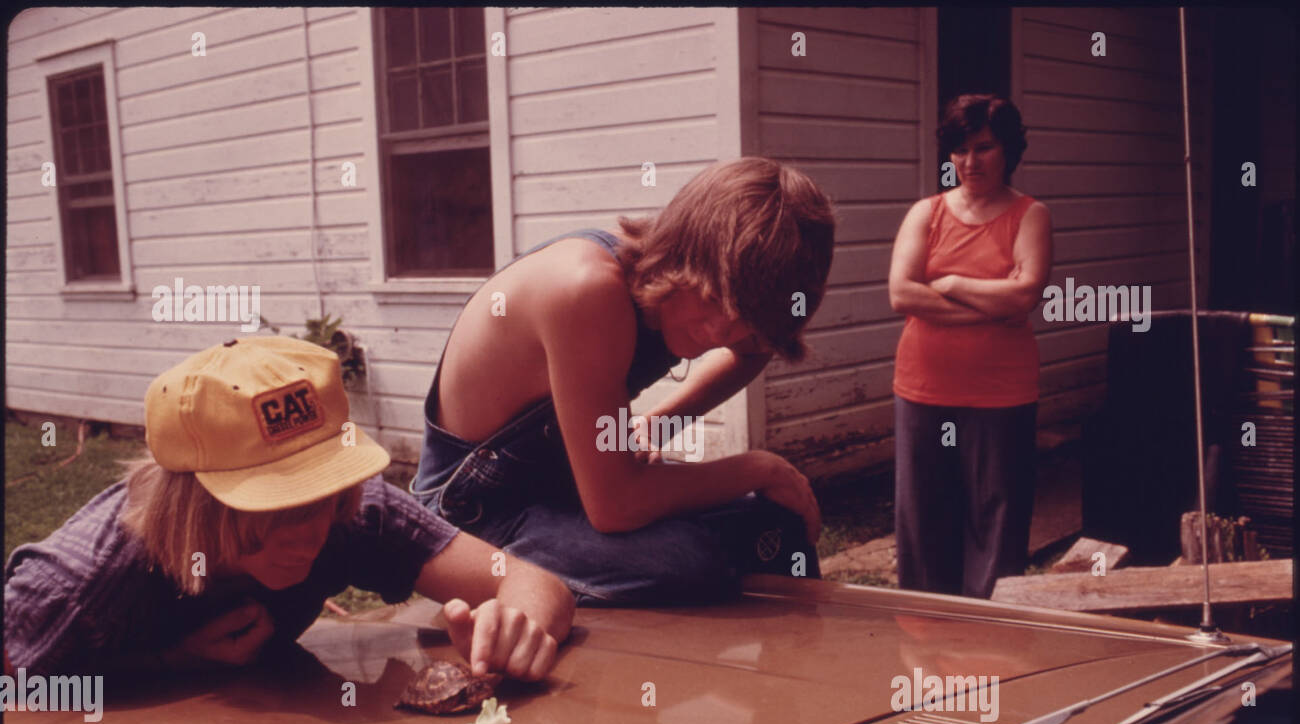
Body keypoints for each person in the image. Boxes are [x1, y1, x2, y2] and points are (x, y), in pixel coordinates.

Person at [3, 336, 574, 679]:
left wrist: (518, 624)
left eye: (321, 490)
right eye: (270, 506)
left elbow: (532, 580)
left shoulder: (352, 514)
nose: (306, 534)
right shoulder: (73, 588)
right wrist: (169, 661)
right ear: (193, 502)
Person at [409, 157, 837, 605]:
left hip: (566, 482)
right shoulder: (584, 289)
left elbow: (753, 352)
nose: (719, 334)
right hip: (470, 512)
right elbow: (616, 507)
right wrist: (761, 467)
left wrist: (659, 424)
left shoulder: (685, 294)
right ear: (682, 251)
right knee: (688, 563)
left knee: (775, 524)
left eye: (746, 322)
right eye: (712, 300)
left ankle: (814, 663)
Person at [887, 94, 1053, 598]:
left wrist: (953, 283)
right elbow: (901, 293)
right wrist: (991, 304)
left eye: (983, 148)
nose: (969, 162)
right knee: (924, 513)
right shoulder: (926, 213)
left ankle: (991, 635)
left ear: (1009, 151)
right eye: (959, 150)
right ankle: (924, 629)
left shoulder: (1031, 215)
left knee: (996, 514)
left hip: (1001, 393)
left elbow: (1026, 293)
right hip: (924, 387)